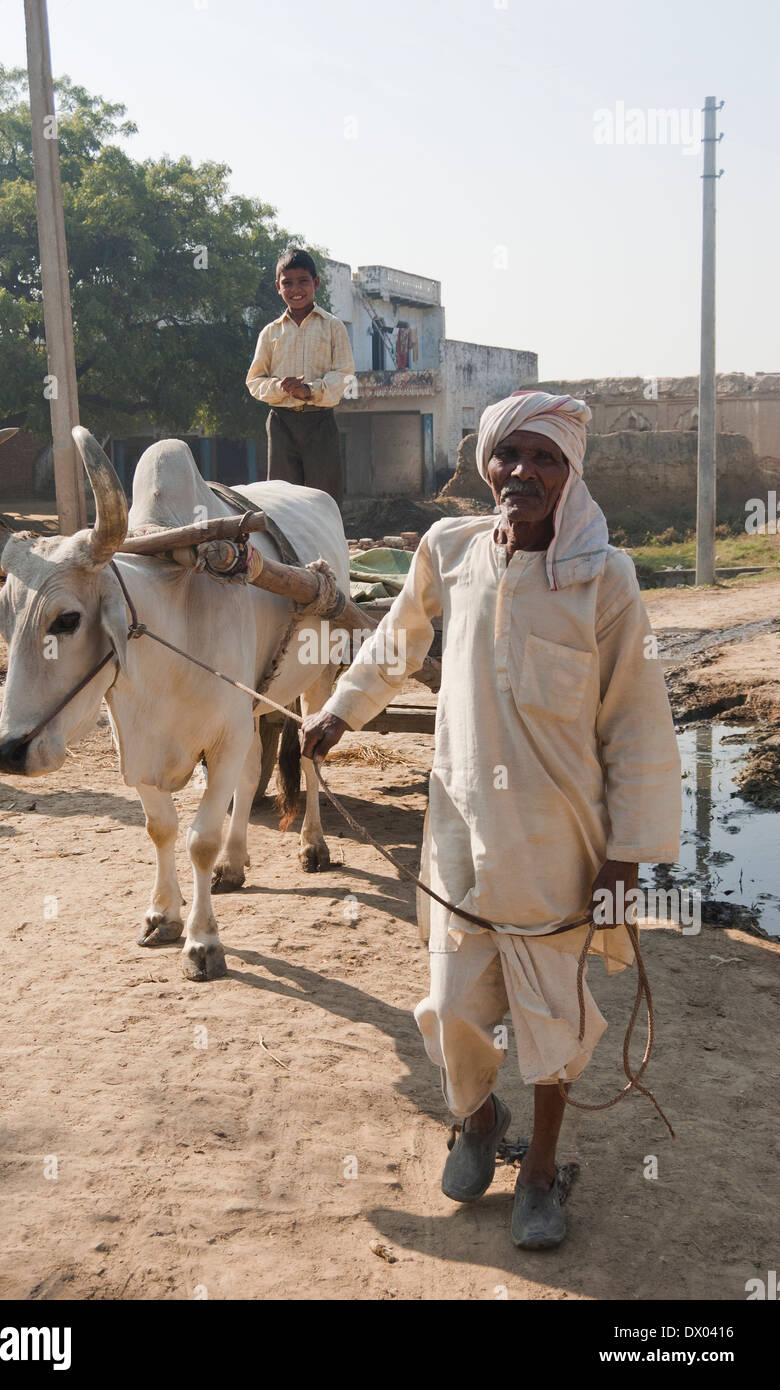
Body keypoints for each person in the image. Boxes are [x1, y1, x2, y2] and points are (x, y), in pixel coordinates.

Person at [301, 390, 682, 1250]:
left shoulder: (605, 577)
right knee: (450, 1004)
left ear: (570, 472)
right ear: (487, 465)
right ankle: (478, 1119)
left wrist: (627, 859)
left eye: (545, 459)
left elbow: (637, 723)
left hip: (560, 841)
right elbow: (396, 641)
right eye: (510, 456)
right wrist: (340, 710)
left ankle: (540, 1171)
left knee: (551, 1019)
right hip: (459, 823)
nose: (524, 474)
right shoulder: (450, 547)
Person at [246, 248, 355, 506]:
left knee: (324, 499)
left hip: (320, 422)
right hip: (281, 423)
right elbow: (254, 381)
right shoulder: (270, 333)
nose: (296, 289)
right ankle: (285, 547)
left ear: (315, 283)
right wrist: (281, 388)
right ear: (278, 287)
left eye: (303, 281)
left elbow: (344, 374)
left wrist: (310, 390)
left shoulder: (332, 326)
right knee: (282, 500)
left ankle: (329, 546)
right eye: (288, 283)